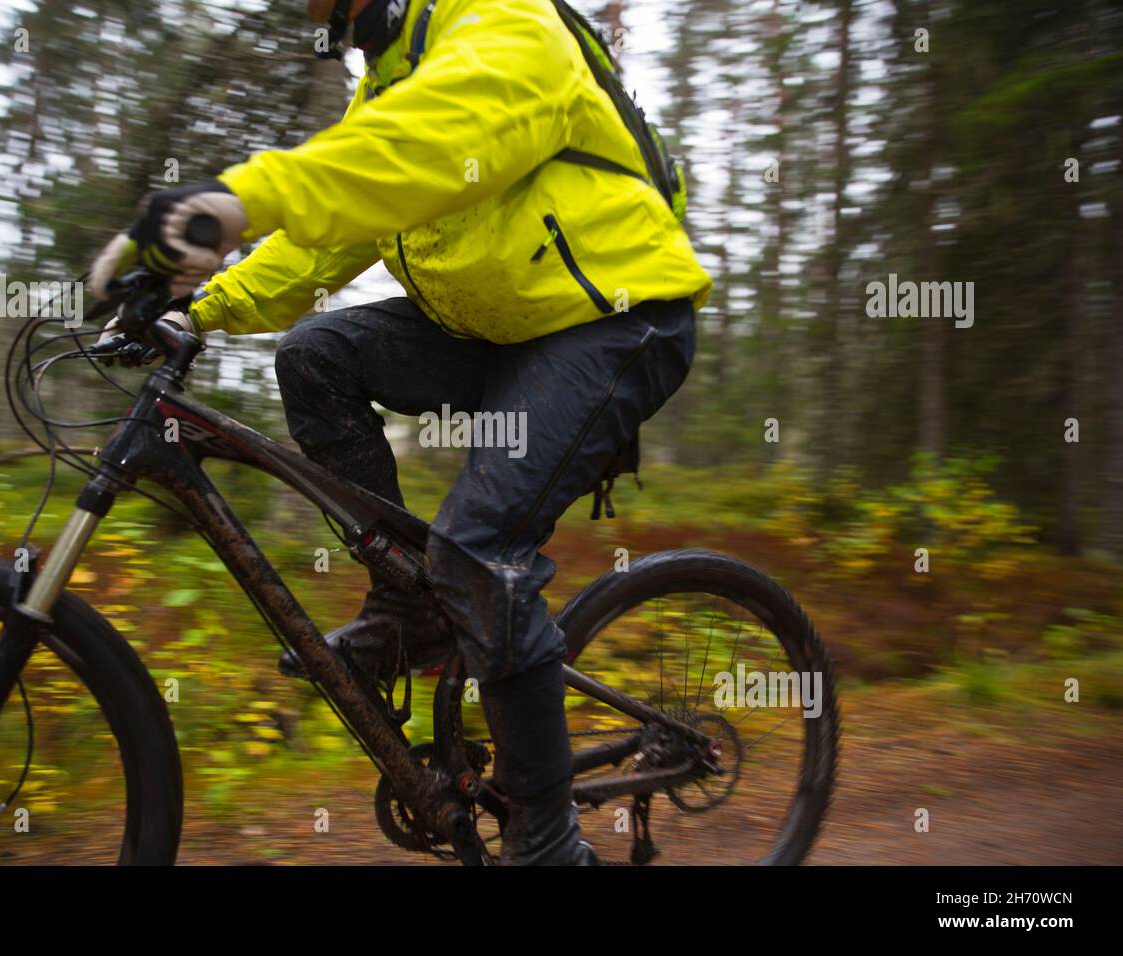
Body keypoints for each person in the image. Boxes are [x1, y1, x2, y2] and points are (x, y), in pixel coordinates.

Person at [88, 0, 711, 865]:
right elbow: (332, 229)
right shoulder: (386, 85)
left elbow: (420, 150)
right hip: (501, 332)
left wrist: (240, 196)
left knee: (478, 547)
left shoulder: (504, 20)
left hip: (613, 321)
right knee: (317, 357)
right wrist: (199, 304)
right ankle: (409, 608)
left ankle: (548, 840)